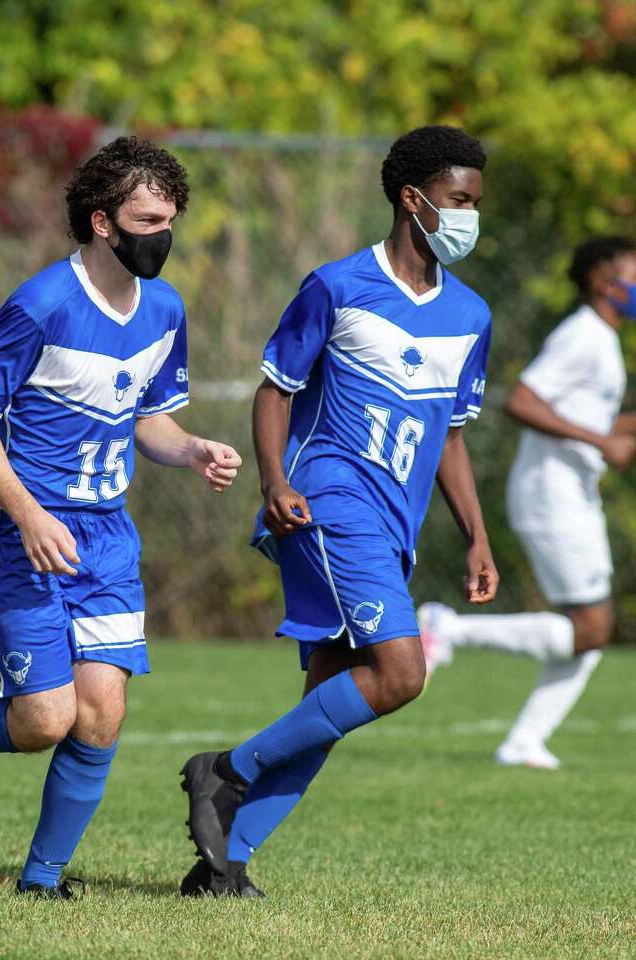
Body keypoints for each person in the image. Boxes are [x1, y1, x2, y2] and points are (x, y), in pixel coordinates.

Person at [0, 136, 242, 899]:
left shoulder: (166, 309)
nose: (162, 235)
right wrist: (28, 513)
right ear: (103, 222)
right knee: (43, 719)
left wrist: (193, 448)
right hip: (26, 537)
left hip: (106, 538)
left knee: (101, 714)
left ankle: (40, 883)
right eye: (147, 219)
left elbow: (151, 419)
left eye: (170, 218)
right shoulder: (44, 304)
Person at [177, 125, 498, 897]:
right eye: (458, 202)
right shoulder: (337, 286)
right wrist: (274, 481)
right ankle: (226, 771)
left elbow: (450, 433)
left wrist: (478, 536)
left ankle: (224, 867)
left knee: (334, 695)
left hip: (393, 528)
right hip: (325, 503)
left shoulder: (473, 317)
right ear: (413, 200)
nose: (469, 218)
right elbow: (274, 390)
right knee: (401, 671)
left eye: (477, 205)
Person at [418, 236, 636, 770]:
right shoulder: (584, 336)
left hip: (572, 493)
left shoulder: (604, 340)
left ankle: (524, 741)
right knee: (591, 627)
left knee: (591, 631)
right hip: (551, 493)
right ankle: (447, 629)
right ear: (602, 283)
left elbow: (588, 424)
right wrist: (601, 443)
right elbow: (523, 400)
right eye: (632, 278)